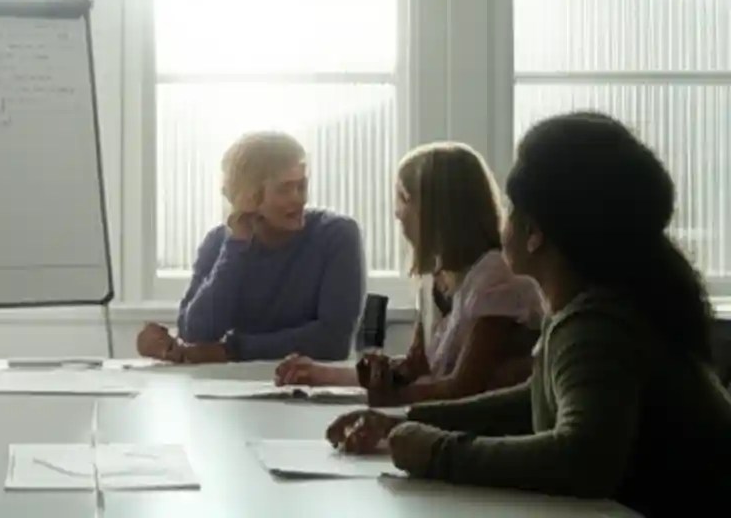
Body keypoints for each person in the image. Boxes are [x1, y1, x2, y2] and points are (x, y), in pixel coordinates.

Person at [325, 113, 731, 516]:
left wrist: (437, 451)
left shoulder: (597, 327)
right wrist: (402, 421)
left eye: (513, 206)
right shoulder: (594, 308)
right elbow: (533, 399)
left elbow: (582, 459)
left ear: (535, 232)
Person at [276, 142, 544, 406]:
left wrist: (379, 403)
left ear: (437, 209)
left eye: (404, 198)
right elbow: (414, 369)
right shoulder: (434, 278)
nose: (396, 213)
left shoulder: (496, 278)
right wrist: (319, 374)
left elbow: (463, 387)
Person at [137, 131, 365, 363]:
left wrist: (232, 351)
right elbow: (196, 333)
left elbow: (333, 340)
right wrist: (236, 245)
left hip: (309, 387)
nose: (298, 199)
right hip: (234, 387)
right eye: (284, 189)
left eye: (301, 186)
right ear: (248, 197)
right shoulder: (220, 243)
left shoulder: (336, 234)